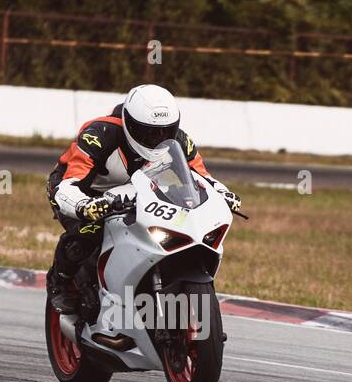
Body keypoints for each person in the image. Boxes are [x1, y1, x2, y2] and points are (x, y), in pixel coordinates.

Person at [44, 84, 239, 313]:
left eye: (164, 132)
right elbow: (70, 181)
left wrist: (222, 193)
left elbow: (201, 177)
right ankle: (60, 281)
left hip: (135, 191)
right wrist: (84, 205)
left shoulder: (179, 140)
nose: (157, 139)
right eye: (148, 132)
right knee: (89, 232)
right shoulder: (99, 134)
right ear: (129, 123)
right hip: (81, 190)